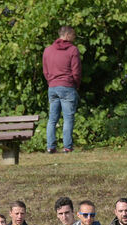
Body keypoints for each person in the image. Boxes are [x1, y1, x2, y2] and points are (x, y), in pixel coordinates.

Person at [42, 25, 81, 153]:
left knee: (52, 119)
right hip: (67, 86)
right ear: (67, 35)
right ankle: (67, 147)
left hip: (52, 87)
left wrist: (51, 82)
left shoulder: (47, 50)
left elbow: (45, 71)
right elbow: (76, 71)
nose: (74, 38)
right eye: (73, 35)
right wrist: (75, 84)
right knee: (68, 118)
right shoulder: (73, 50)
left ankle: (50, 147)